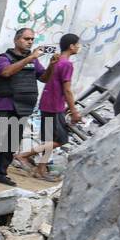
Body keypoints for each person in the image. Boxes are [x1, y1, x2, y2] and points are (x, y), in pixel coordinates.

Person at [0, 27, 45, 187]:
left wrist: (54, 65)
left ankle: (1, 173)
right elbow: (6, 72)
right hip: (3, 106)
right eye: (26, 39)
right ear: (16, 40)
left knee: (11, 143)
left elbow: (44, 77)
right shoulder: (3, 58)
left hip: (22, 107)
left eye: (32, 39)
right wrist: (30, 59)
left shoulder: (33, 60)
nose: (30, 42)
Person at [21, 32, 82, 180]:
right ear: (71, 46)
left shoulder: (56, 61)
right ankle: (23, 155)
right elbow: (67, 89)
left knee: (48, 140)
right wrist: (74, 111)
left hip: (46, 103)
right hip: (55, 106)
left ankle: (40, 169)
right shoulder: (66, 64)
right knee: (61, 140)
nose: (79, 47)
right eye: (78, 44)